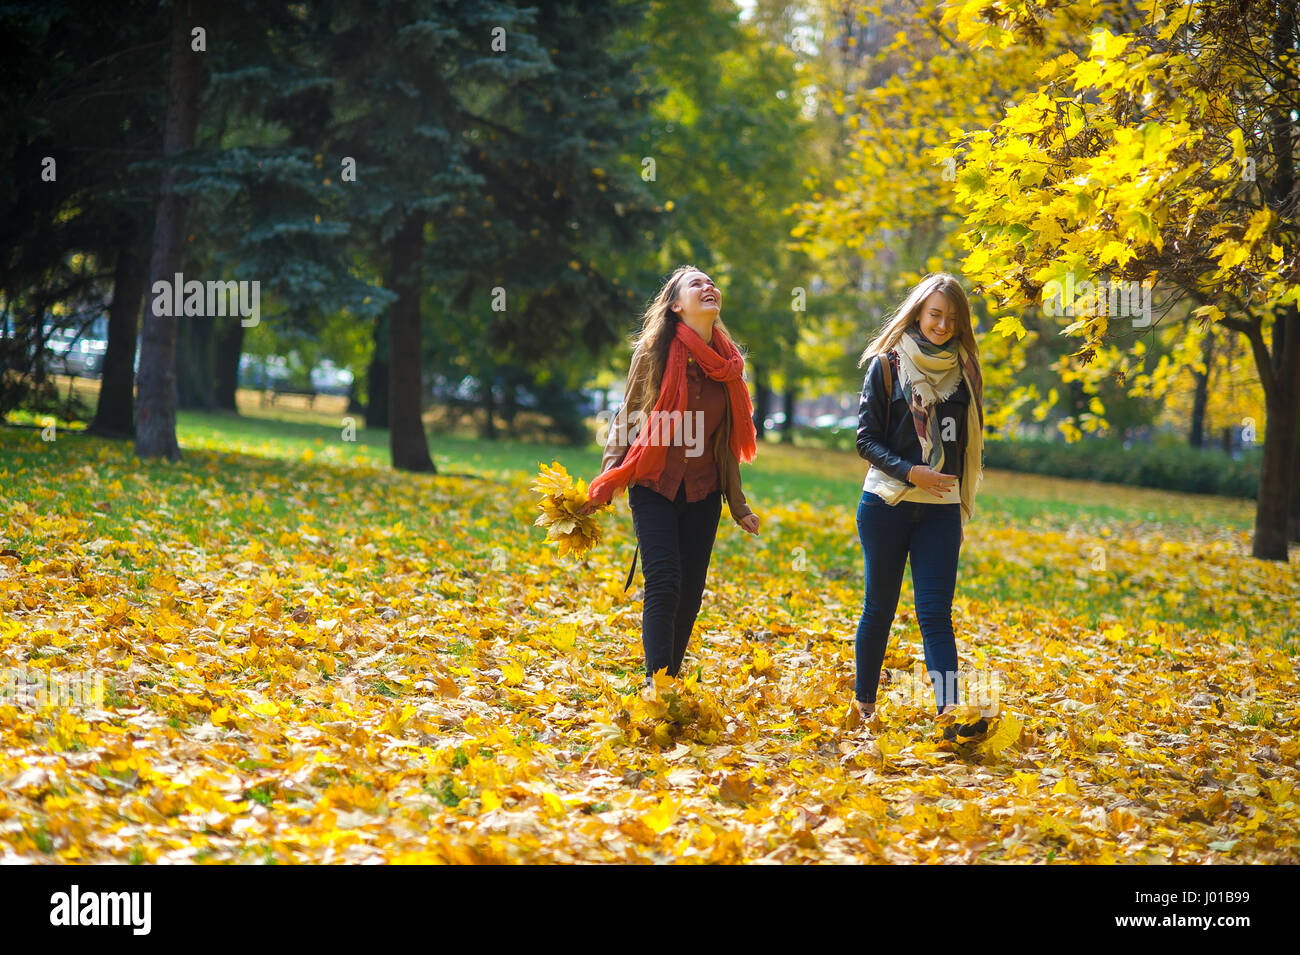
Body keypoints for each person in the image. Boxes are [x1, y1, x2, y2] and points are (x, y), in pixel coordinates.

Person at [583, 266, 761, 684]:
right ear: (676, 304)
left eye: (712, 282)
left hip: (704, 492)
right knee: (664, 581)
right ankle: (655, 684)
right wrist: (609, 478)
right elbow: (626, 420)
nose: (709, 287)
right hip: (654, 483)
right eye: (696, 283)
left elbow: (726, 443)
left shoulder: (729, 367)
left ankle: (670, 681)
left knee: (689, 594)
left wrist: (739, 505)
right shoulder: (653, 353)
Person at [852, 272, 987, 737]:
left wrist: (950, 489)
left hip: (941, 509)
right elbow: (866, 439)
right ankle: (864, 705)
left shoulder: (966, 372)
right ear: (917, 313)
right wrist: (913, 472)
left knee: (935, 612)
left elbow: (968, 443)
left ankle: (950, 716)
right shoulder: (887, 366)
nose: (942, 324)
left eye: (951, 318)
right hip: (886, 503)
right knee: (879, 608)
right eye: (934, 314)